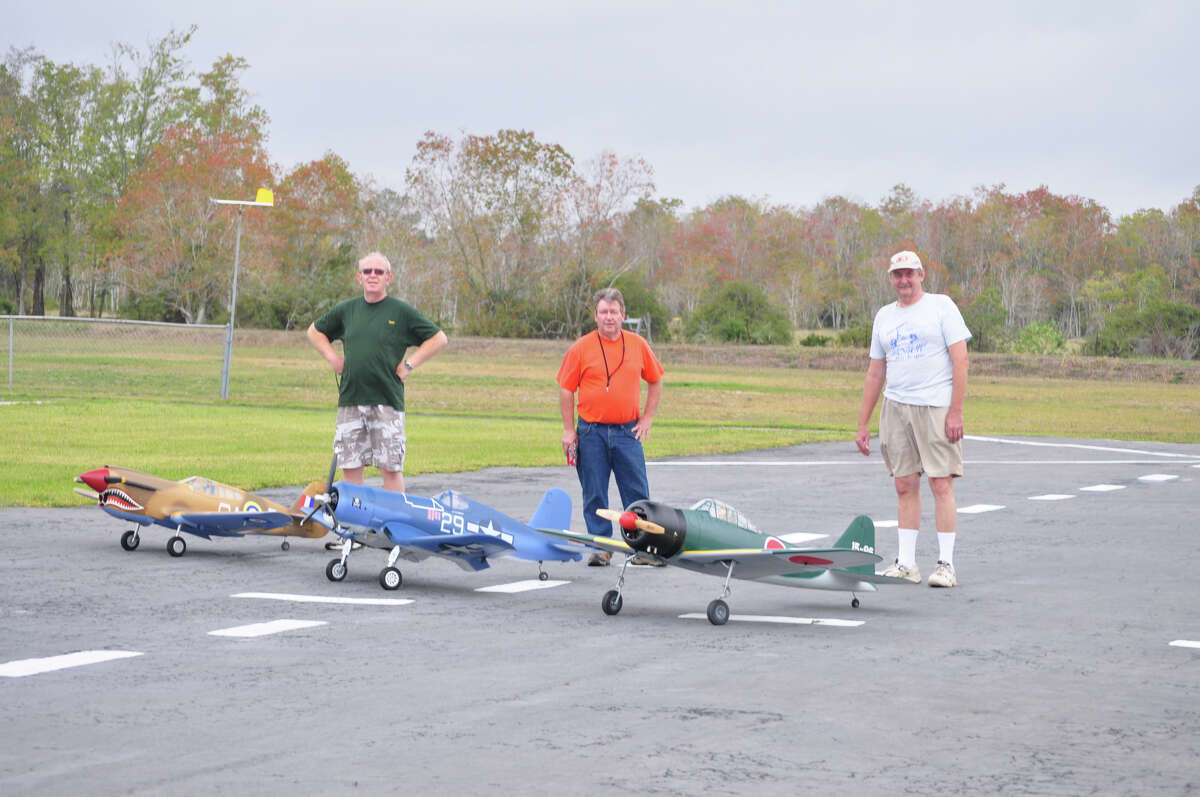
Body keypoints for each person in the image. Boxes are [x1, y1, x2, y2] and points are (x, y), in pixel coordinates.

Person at [855, 250, 971, 588]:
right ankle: (906, 563)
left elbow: (960, 360)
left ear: (921, 275)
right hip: (896, 406)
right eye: (898, 274)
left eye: (909, 273)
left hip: (935, 406)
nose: (904, 280)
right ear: (891, 279)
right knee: (904, 484)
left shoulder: (941, 306)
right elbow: (876, 372)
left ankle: (946, 565)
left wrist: (956, 410)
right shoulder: (884, 316)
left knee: (940, 483)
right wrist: (863, 422)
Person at [307, 252, 448, 496]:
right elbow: (314, 331)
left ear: (388, 278)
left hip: (387, 402)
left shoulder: (400, 312)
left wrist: (409, 365)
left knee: (390, 468)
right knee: (351, 465)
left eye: (379, 272)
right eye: (367, 271)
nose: (373, 275)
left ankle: (394, 518)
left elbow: (439, 338)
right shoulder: (347, 310)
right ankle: (354, 519)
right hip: (351, 400)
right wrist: (333, 358)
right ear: (359, 277)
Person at [557, 288, 664, 566]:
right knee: (594, 492)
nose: (608, 317)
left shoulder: (637, 344)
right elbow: (566, 388)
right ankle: (601, 547)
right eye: (603, 312)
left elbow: (656, 379)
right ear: (595, 316)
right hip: (591, 432)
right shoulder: (581, 347)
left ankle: (644, 548)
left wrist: (647, 418)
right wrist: (569, 430)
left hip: (627, 431)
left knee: (636, 491)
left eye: (613, 312)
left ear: (622, 315)